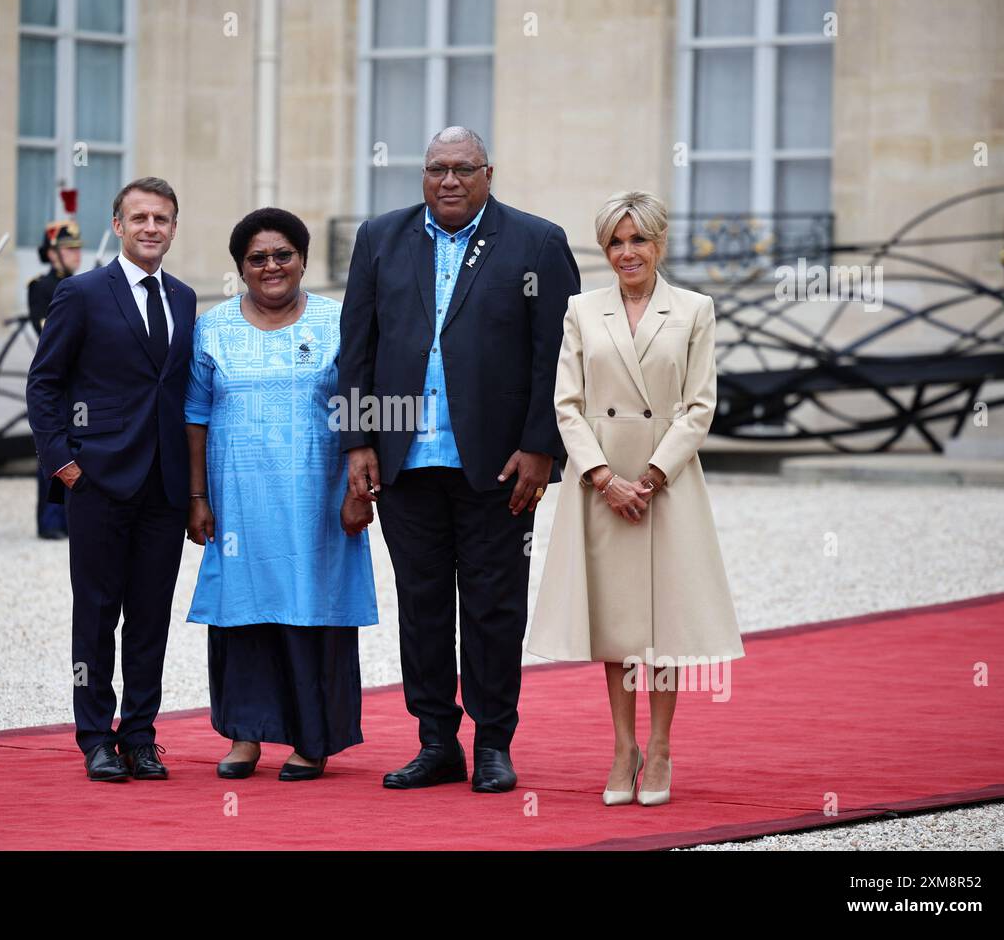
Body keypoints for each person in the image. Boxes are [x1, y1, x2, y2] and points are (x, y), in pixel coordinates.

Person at [338, 127, 581, 793]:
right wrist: (358, 441)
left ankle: (494, 743)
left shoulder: (537, 244)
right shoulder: (380, 239)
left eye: (463, 169)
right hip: (405, 462)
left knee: (494, 606)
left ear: (488, 173)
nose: (449, 180)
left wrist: (540, 448)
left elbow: (556, 356)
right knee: (420, 608)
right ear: (423, 174)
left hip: (500, 466)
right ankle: (437, 742)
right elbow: (355, 348)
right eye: (437, 169)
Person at [527, 190, 745, 807]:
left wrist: (650, 477)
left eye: (638, 241)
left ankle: (662, 747)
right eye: (616, 242)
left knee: (663, 622)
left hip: (666, 486)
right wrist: (602, 476)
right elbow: (565, 403)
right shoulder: (580, 308)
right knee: (620, 622)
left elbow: (700, 406)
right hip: (600, 484)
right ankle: (623, 748)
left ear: (660, 243)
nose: (627, 253)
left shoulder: (695, 308)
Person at [185, 207, 379, 782]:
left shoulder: (336, 321)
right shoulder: (211, 327)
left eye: (282, 255)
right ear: (241, 268)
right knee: (241, 613)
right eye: (257, 258)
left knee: (310, 611)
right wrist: (197, 496)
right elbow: (195, 414)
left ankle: (310, 740)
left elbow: (358, 408)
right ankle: (244, 735)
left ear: (302, 259)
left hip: (315, 503)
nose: (271, 266)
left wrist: (358, 490)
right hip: (239, 502)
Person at [26, 177, 196, 782]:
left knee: (150, 616)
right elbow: (44, 381)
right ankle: (96, 737)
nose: (152, 228)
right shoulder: (81, 293)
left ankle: (141, 735)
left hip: (165, 487)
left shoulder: (183, 297)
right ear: (119, 226)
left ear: (174, 228)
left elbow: (176, 391)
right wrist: (63, 464)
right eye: (140, 218)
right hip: (97, 481)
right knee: (97, 615)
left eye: (163, 219)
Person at [27, 188, 82, 540]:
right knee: (52, 448)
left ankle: (69, 518)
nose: (75, 255)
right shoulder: (41, 287)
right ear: (51, 253)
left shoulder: (84, 284)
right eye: (68, 249)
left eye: (78, 248)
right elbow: (46, 329)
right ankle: (48, 520)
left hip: (82, 380)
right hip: (57, 376)